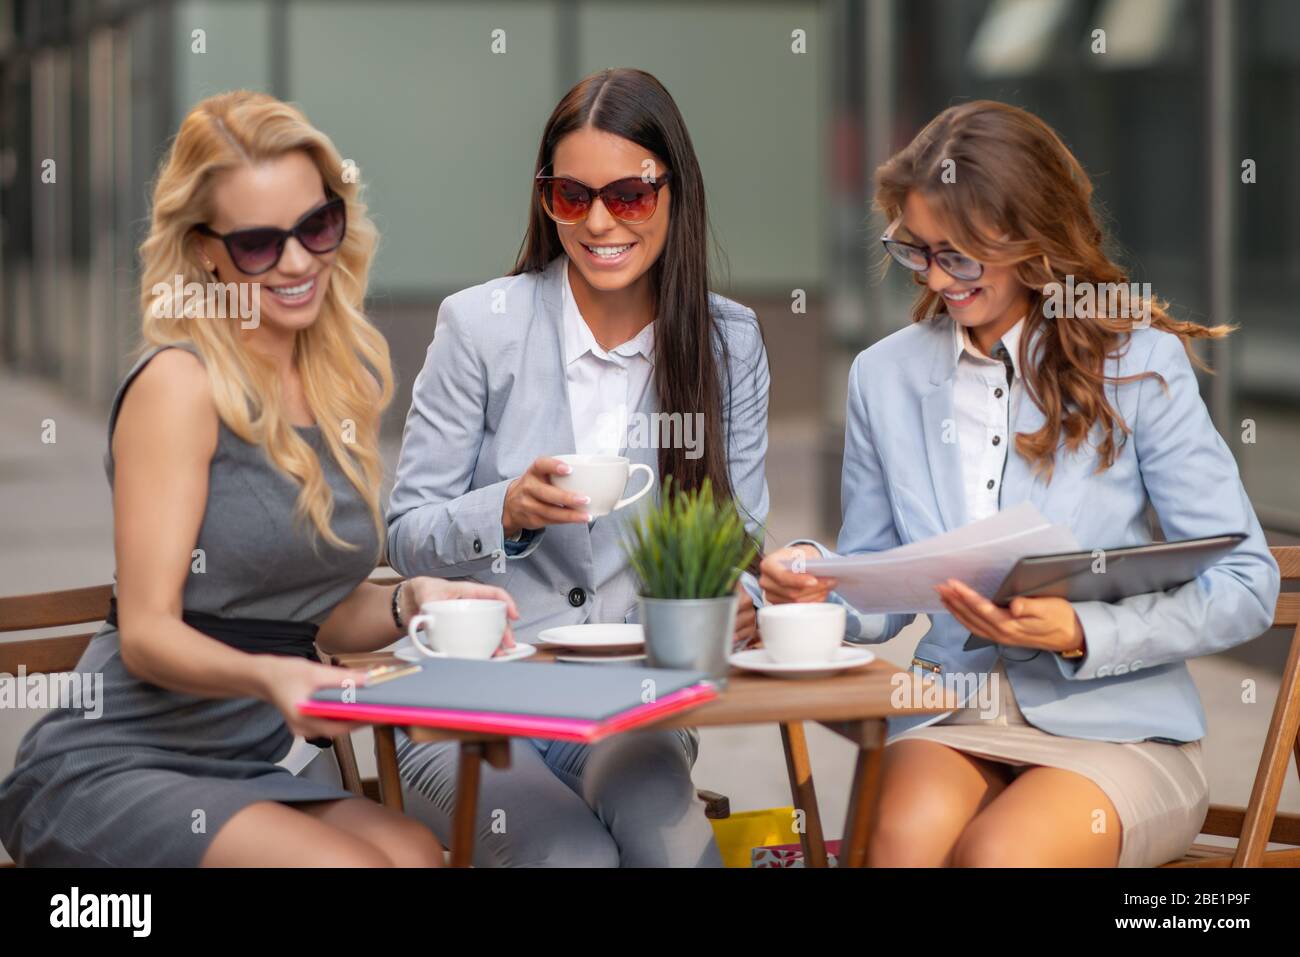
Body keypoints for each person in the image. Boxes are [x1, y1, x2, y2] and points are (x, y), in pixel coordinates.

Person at [0, 91, 516, 867]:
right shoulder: (181, 385)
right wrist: (276, 679)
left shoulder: (335, 379)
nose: (300, 261)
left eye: (316, 227)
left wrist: (414, 600)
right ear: (205, 250)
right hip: (114, 768)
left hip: (239, 769)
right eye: (258, 244)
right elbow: (146, 632)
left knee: (415, 855)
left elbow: (307, 605)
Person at [760, 100, 1280, 867]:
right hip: (949, 714)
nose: (936, 278)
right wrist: (815, 579)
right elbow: (872, 593)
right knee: (894, 851)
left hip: (1119, 729)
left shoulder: (1137, 365)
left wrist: (1081, 632)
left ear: (1033, 239)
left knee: (999, 858)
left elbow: (1247, 581)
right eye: (916, 250)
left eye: (960, 256)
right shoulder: (883, 376)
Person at [386, 68, 769, 866]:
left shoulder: (727, 345)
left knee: (679, 851)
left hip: (634, 703)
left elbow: (744, 538)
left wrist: (742, 597)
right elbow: (404, 536)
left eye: (629, 195)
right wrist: (505, 509)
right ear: (546, 197)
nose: (599, 221)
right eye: (571, 195)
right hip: (469, 710)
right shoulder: (479, 328)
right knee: (570, 856)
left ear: (675, 192)